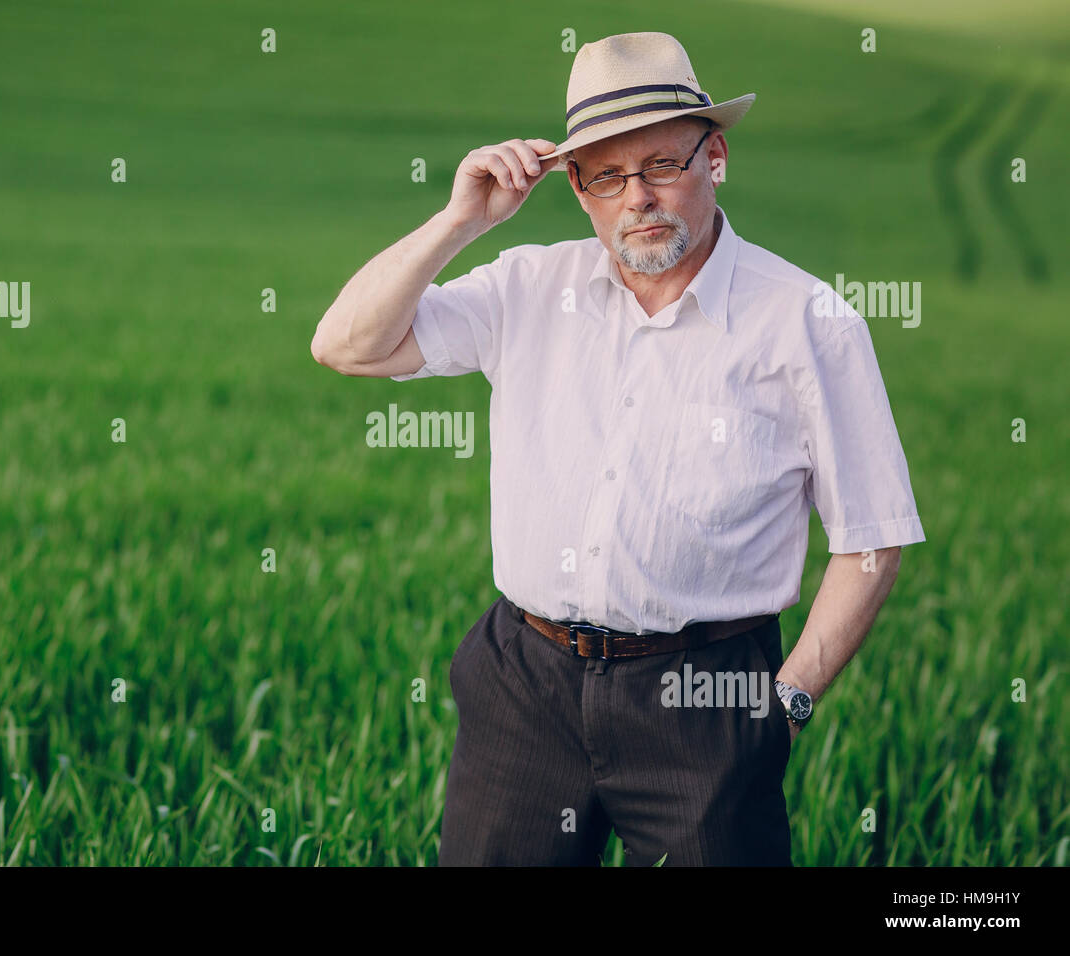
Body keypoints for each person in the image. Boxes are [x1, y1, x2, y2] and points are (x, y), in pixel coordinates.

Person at [310, 32, 925, 866]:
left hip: (706, 696)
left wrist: (784, 710)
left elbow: (871, 543)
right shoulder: (527, 287)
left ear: (715, 158)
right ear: (577, 188)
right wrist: (460, 222)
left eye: (662, 165)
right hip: (524, 686)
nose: (637, 197)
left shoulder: (808, 323)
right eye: (605, 174)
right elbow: (347, 344)